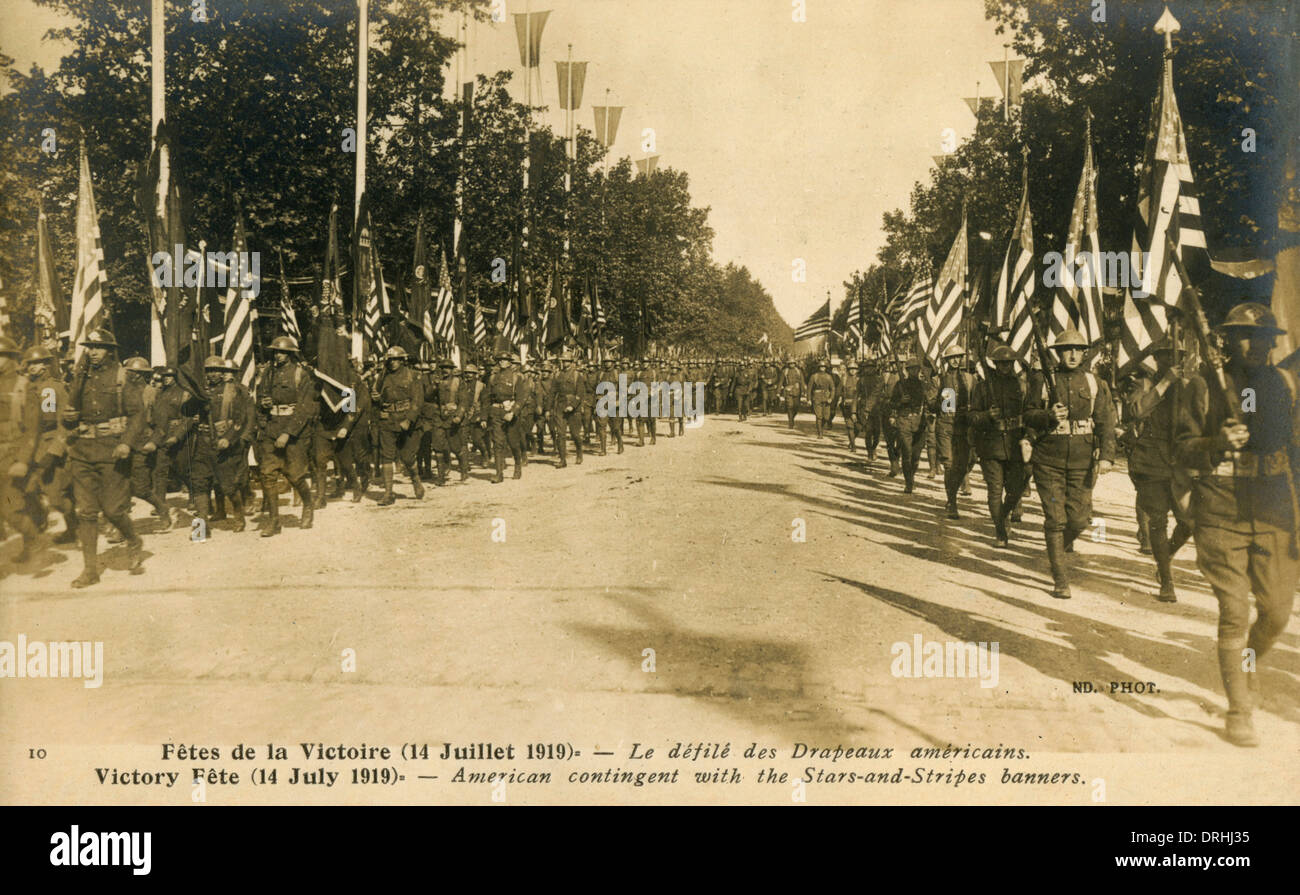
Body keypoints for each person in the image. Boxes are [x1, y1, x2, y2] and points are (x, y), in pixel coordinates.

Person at [1175, 302, 1299, 747]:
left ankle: (1246, 667)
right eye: (1244, 336)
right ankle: (1239, 709)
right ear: (1225, 340)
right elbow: (1182, 448)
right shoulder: (1202, 385)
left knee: (1278, 613)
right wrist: (1215, 441)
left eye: (1264, 337)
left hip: (1272, 511)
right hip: (1222, 510)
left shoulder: (1285, 383)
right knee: (1234, 612)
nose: (1256, 345)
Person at [1023, 327, 1115, 599]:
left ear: (1084, 353)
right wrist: (1048, 416)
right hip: (1048, 458)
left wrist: (1107, 455)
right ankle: (1060, 579)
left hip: (1082, 461)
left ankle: (1056, 551)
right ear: (1058, 353)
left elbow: (1106, 421)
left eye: (1077, 350)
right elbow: (1027, 414)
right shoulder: (1042, 379)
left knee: (1079, 520)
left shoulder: (1094, 382)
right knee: (1055, 519)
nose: (1073, 355)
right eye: (1067, 350)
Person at [63, 329, 145, 586]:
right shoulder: (80, 378)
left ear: (110, 350)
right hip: (83, 451)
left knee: (112, 510)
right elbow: (71, 413)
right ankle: (90, 570)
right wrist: (68, 417)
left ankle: (133, 539)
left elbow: (138, 415)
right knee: (85, 512)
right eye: (90, 347)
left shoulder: (122, 378)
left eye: (99, 347)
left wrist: (127, 444)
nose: (93, 352)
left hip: (112, 450)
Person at [1126, 337, 1193, 602]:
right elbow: (1137, 411)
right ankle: (1166, 580)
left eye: (1178, 356)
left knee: (1189, 521)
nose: (1173, 361)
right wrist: (1164, 384)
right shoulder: (1144, 384)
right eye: (1166, 356)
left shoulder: (1188, 387)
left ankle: (1167, 554)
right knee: (1158, 521)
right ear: (1157, 359)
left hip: (1180, 464)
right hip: (1151, 462)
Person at [255, 335, 319, 534]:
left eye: (283, 352)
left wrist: (287, 433)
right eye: (276, 351)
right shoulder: (268, 374)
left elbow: (305, 408)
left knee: (295, 475)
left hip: (295, 433)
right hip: (271, 427)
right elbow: (259, 396)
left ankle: (308, 506)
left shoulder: (301, 374)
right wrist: (263, 402)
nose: (278, 355)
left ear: (291, 354)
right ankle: (274, 521)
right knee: (267, 474)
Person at [969, 344, 1030, 547]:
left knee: (1014, 489)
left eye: (1009, 363)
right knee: (995, 491)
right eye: (1001, 363)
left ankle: (1006, 515)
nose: (1005, 367)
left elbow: (1028, 413)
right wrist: (987, 416)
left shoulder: (1020, 386)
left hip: (1014, 444)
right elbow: (972, 416)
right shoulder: (983, 387)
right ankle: (1000, 531)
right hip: (992, 445)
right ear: (995, 364)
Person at [21, 344, 80, 544]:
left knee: (56, 496)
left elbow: (63, 424)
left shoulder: (50, 388)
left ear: (45, 364)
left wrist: (55, 450)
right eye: (29, 364)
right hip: (33, 447)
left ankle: (76, 527)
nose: (31, 367)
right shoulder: (30, 388)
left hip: (50, 446)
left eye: (36, 363)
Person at [190, 355, 255, 533]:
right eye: (209, 371)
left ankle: (239, 515)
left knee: (228, 485)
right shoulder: (200, 391)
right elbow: (187, 411)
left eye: (216, 370)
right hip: (202, 442)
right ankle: (201, 528)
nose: (213, 374)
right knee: (199, 483)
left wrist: (229, 438)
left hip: (222, 443)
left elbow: (240, 419)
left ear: (223, 372)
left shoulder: (233, 391)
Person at [1, 337, 41, 563]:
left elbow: (32, 429)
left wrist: (23, 461)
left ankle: (32, 537)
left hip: (13, 455)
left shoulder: (24, 387)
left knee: (10, 510)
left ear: (11, 358)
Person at [373, 344, 425, 505]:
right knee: (386, 456)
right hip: (388, 420)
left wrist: (409, 419)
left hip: (406, 420)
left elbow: (417, 400)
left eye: (396, 359)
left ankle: (416, 480)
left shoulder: (413, 376)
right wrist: (376, 399)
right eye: (390, 360)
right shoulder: (383, 377)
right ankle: (388, 493)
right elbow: (379, 397)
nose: (392, 363)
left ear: (403, 360)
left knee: (408, 457)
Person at [933, 344, 977, 519]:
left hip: (963, 426)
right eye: (952, 358)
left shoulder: (969, 379)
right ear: (946, 360)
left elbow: (977, 400)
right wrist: (940, 402)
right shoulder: (940, 380)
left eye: (959, 357)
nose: (956, 360)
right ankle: (952, 502)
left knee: (966, 462)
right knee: (950, 464)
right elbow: (931, 403)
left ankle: (954, 491)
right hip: (945, 425)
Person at [888, 357, 930, 493]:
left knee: (916, 455)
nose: (914, 371)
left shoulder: (924, 385)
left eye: (916, 369)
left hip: (919, 422)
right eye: (911, 369)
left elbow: (929, 403)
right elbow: (891, 403)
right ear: (907, 370)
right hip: (904, 420)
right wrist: (901, 401)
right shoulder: (900, 385)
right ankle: (909, 483)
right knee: (907, 453)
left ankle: (911, 476)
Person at [487, 352, 527, 481]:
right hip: (496, 412)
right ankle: (499, 474)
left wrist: (513, 412)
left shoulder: (517, 378)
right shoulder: (493, 378)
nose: (502, 362)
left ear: (510, 362)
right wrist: (485, 416)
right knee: (498, 443)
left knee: (513, 442)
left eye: (505, 360)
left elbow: (521, 399)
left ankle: (517, 466)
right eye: (500, 360)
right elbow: (487, 398)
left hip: (510, 413)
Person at [553, 352, 585, 467]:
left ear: (572, 362)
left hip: (573, 408)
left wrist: (573, 405)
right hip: (560, 406)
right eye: (563, 361)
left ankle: (579, 452)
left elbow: (580, 393)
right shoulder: (557, 375)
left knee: (575, 434)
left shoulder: (577, 375)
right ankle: (562, 460)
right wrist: (549, 408)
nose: (565, 363)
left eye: (567, 361)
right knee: (560, 434)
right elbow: (553, 392)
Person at [809, 361, 836, 438]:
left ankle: (820, 426)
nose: (822, 368)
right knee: (819, 416)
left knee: (826, 417)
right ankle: (820, 433)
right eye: (821, 367)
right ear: (818, 368)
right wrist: (809, 399)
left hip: (826, 398)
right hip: (817, 397)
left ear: (826, 368)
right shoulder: (814, 376)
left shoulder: (828, 377)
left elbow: (833, 388)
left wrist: (831, 398)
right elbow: (809, 388)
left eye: (824, 367)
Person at [841, 361, 861, 451]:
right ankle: (853, 445)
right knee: (850, 426)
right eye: (851, 369)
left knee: (858, 426)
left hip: (858, 406)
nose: (853, 371)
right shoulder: (844, 379)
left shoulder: (860, 379)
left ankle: (852, 440)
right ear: (848, 370)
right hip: (847, 405)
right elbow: (839, 391)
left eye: (854, 369)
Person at [781, 360, 804, 428]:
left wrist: (804, 391)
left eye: (793, 363)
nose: (791, 364)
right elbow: (781, 381)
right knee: (790, 406)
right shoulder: (785, 371)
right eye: (790, 363)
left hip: (797, 390)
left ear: (795, 364)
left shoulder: (798, 371)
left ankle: (792, 417)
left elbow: (802, 381)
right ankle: (791, 422)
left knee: (796, 406)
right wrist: (778, 392)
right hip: (788, 390)